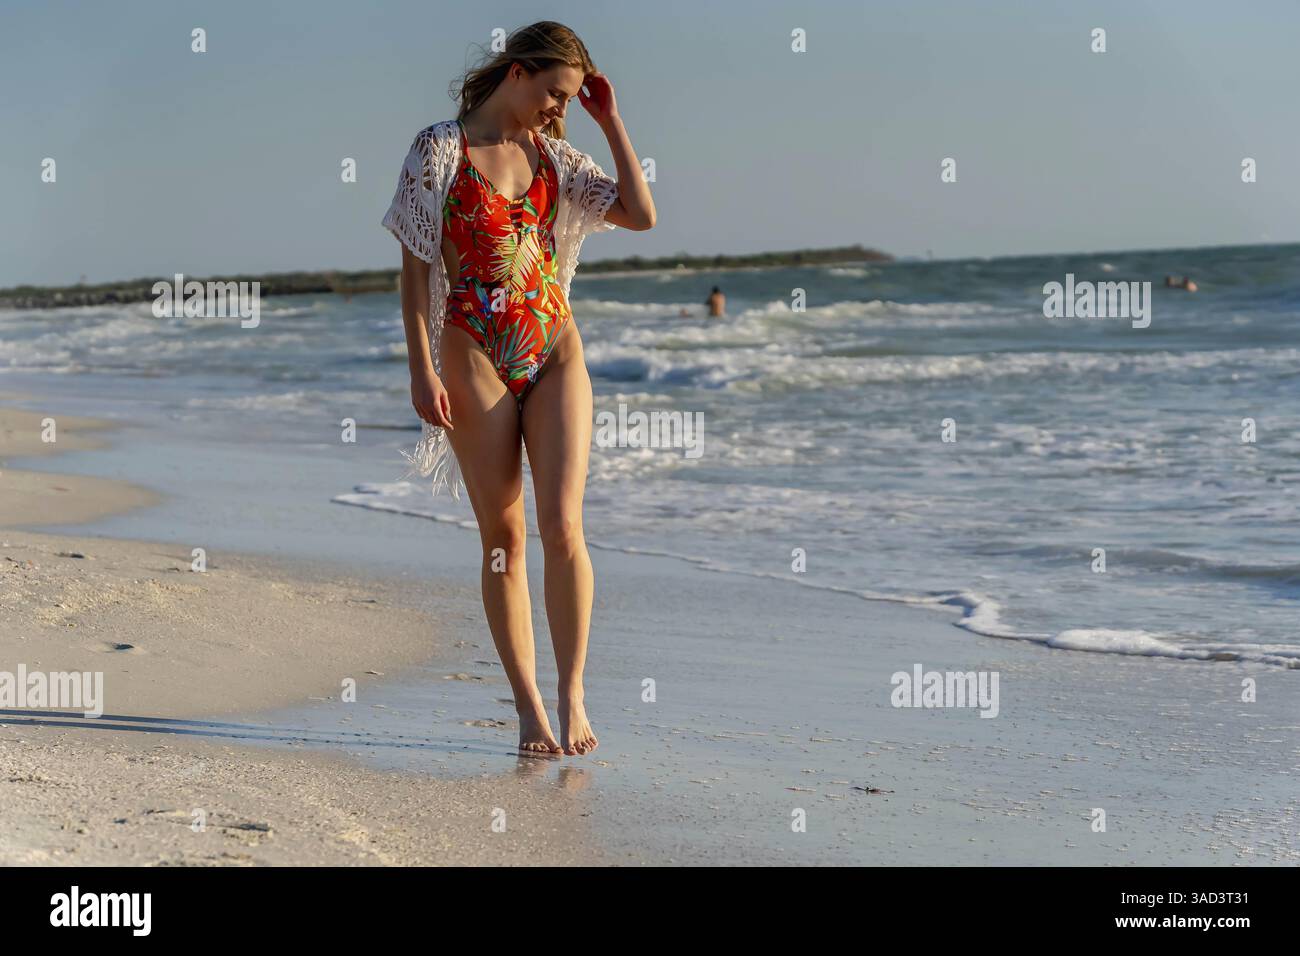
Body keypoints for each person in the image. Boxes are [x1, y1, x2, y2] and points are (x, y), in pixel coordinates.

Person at [381, 21, 656, 757]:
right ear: (517, 74)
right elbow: (413, 270)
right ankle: (530, 708)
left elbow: (639, 213)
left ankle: (572, 694)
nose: (557, 111)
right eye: (554, 95)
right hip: (473, 353)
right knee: (503, 536)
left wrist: (610, 119)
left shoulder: (555, 156)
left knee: (563, 526)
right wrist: (421, 367)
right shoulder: (439, 149)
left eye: (569, 101)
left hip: (554, 349)